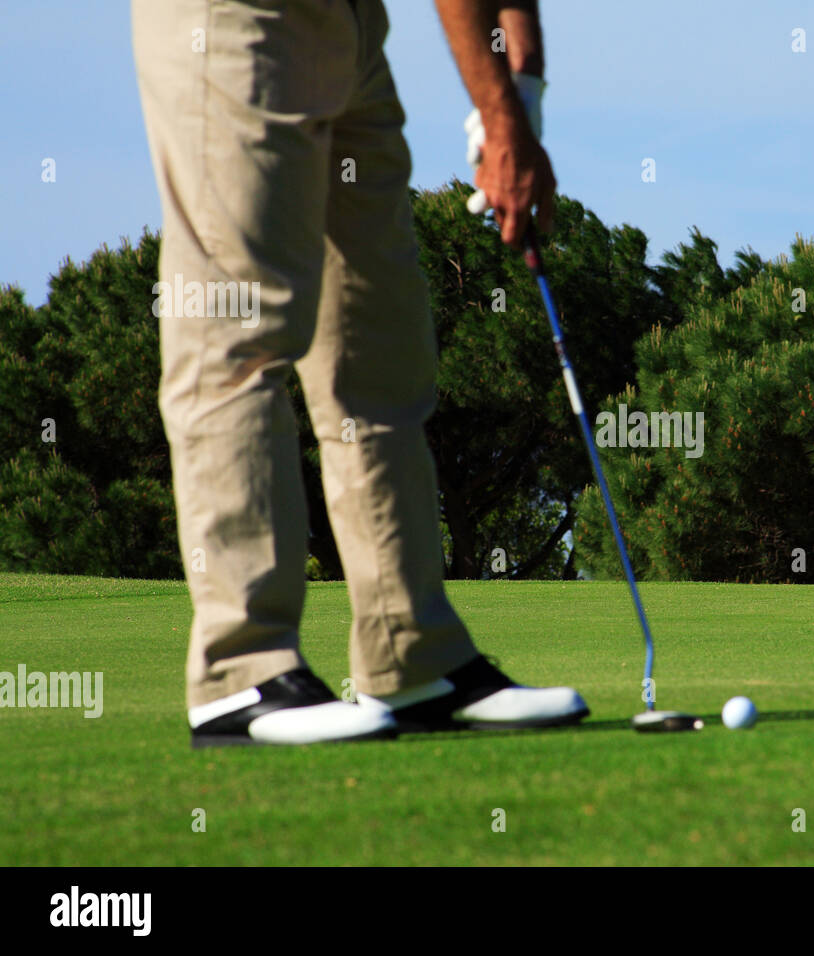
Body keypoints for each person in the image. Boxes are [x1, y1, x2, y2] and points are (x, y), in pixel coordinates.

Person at [133, 0, 588, 746]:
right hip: (237, 18)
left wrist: (523, 90)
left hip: (350, 30)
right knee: (237, 328)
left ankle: (411, 657)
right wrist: (499, 116)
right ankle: (240, 669)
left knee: (376, 346)